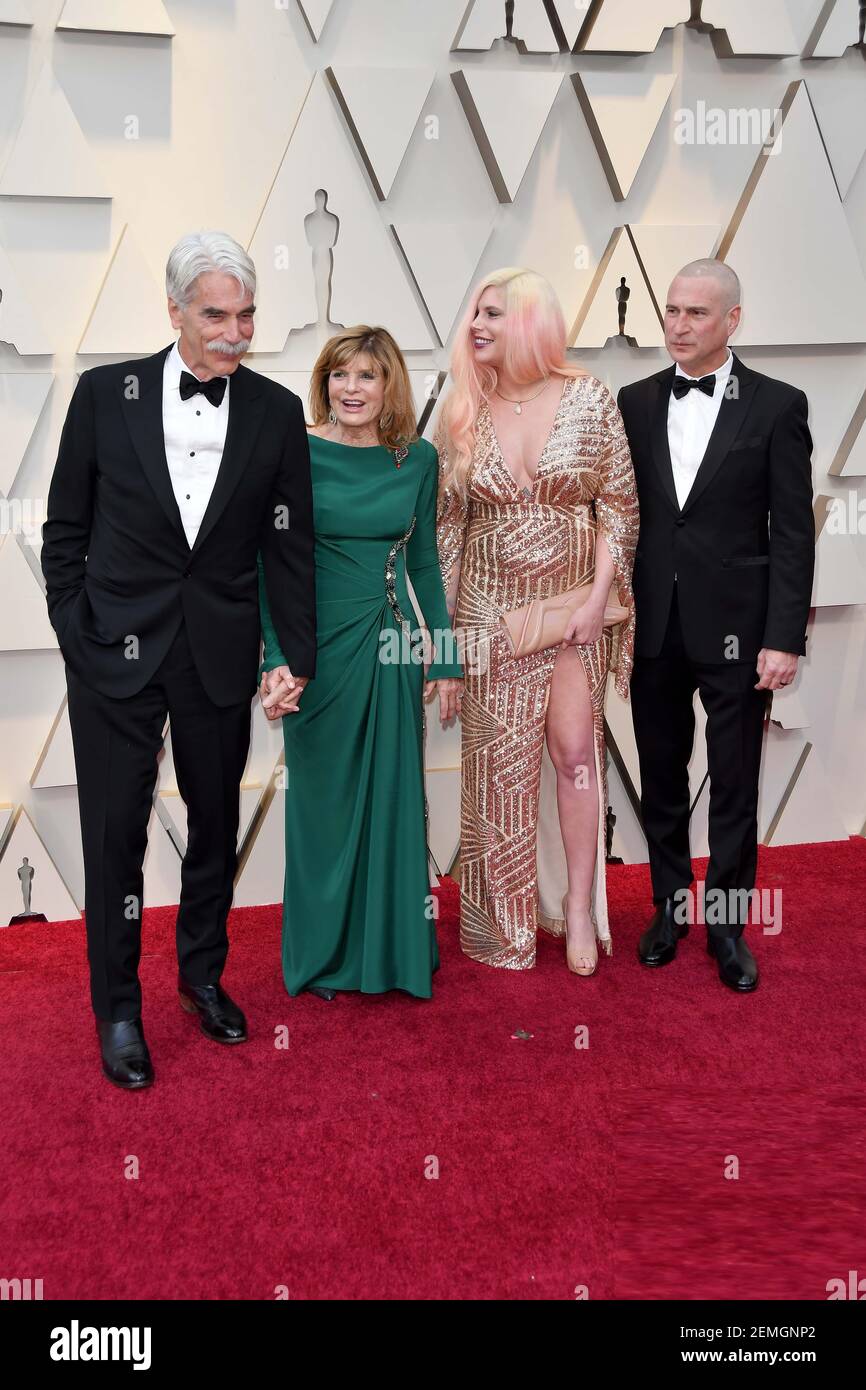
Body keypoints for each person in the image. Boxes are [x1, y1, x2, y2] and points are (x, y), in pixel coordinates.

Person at [41, 231, 316, 1088]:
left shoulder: (274, 411)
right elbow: (64, 532)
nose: (235, 333)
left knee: (214, 826)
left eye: (246, 316)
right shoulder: (101, 395)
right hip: (113, 654)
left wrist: (291, 652)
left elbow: (291, 547)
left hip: (217, 653)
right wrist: (77, 633)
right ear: (174, 313)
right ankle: (117, 1008)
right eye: (216, 316)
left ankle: (202, 975)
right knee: (114, 834)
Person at [618, 259, 815, 993]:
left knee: (734, 784)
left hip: (741, 631)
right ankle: (670, 912)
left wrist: (784, 635)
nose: (677, 324)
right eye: (671, 310)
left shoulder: (776, 405)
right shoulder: (634, 402)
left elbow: (793, 531)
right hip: (655, 625)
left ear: (733, 320)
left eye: (696, 313)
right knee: (661, 777)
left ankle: (728, 927)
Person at [436, 268, 639, 976]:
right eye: (475, 314)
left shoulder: (589, 400)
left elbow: (618, 508)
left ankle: (578, 908)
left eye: (494, 313)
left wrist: (595, 602)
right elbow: (447, 535)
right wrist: (447, 646)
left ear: (530, 320)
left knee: (576, 756)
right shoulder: (464, 409)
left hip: (572, 610)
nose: (478, 325)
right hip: (490, 616)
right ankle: (503, 927)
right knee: (498, 770)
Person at [258, 327, 463, 1001]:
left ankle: (391, 954)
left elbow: (425, 563)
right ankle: (322, 956)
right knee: (320, 808)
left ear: (389, 385)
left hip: (390, 648)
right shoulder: (296, 454)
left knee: (391, 804)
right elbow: (270, 566)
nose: (352, 389)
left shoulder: (418, 459)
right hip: (315, 655)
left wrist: (448, 655)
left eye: (368, 376)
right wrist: (279, 658)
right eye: (341, 375)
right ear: (324, 382)